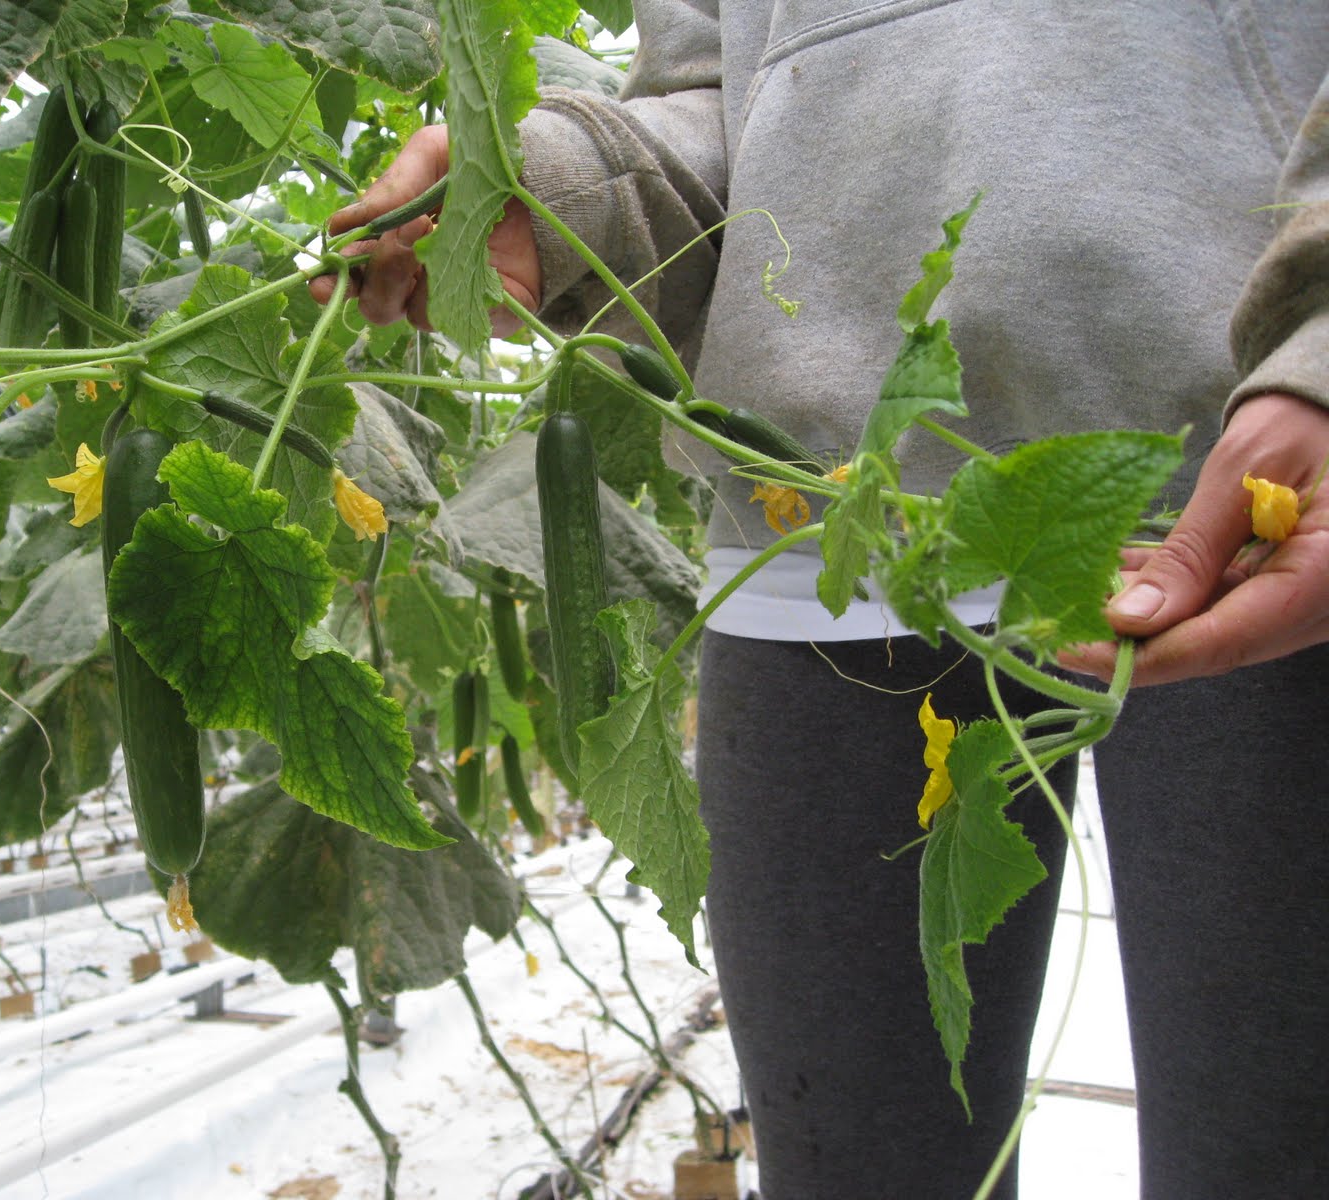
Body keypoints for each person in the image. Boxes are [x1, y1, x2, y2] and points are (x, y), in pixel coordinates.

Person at [313, 3, 1329, 1196]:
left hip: (1249, 494)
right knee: (858, 1169)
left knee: (1277, 1155)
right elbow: (726, 106)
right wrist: (565, 189)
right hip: (814, 534)